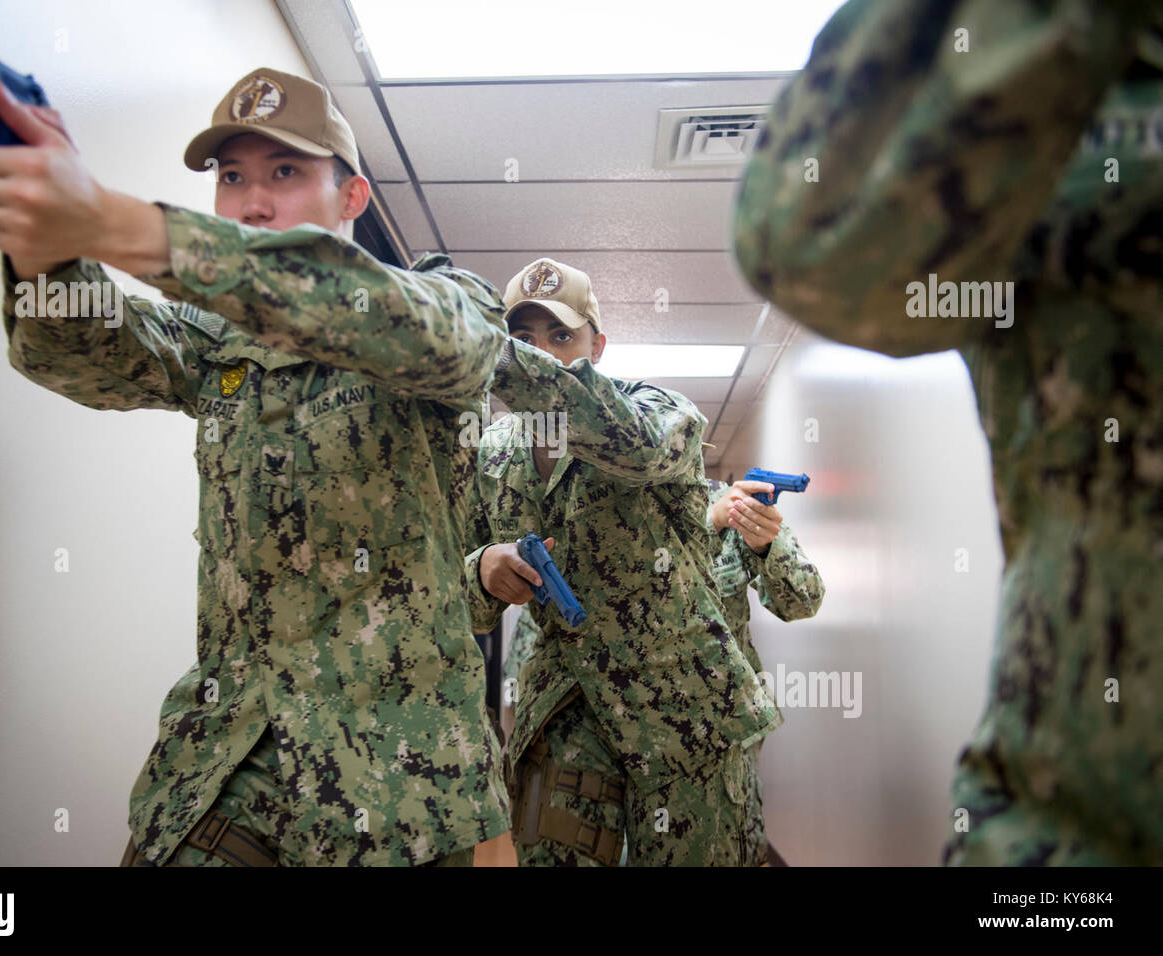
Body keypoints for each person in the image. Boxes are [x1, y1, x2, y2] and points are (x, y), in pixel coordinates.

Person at [0, 66, 511, 865]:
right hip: (227, 759)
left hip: (398, 786)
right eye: (232, 178)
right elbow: (81, 352)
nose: (253, 202)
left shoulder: (444, 305)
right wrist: (47, 247)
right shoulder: (218, 344)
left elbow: (428, 334)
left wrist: (114, 220)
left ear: (352, 199)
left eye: (285, 173)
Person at [733, 1, 1163, 864]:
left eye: (557, 334)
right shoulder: (1075, 83)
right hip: (1083, 825)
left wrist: (754, 538)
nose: (540, 355)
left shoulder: (663, 446)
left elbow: (798, 597)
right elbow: (805, 235)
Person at [465, 257, 781, 866]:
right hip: (561, 709)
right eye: (523, 340)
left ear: (598, 346)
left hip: (684, 710)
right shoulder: (490, 451)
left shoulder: (661, 413)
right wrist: (484, 569)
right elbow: (456, 588)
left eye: (562, 337)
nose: (543, 355)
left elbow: (633, 451)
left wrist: (498, 359)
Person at [706, 477, 826, 865]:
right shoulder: (608, 510)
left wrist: (766, 545)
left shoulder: (730, 501)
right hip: (637, 747)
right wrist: (708, 523)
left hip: (727, 748)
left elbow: (806, 598)